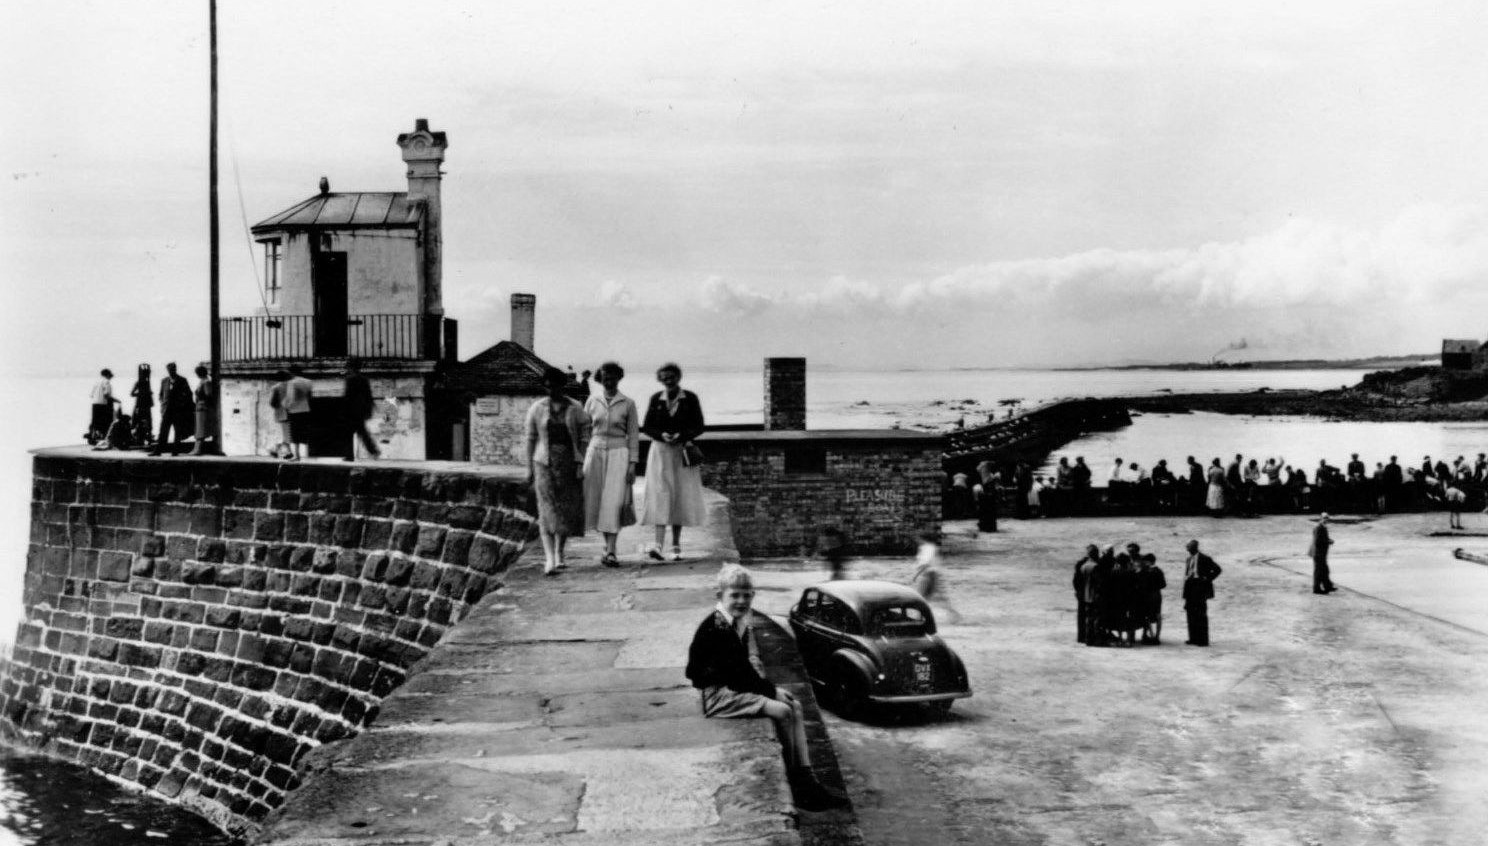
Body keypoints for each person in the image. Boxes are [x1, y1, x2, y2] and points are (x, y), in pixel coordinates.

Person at [685, 564, 846, 811]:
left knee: (796, 705)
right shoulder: (718, 627)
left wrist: (769, 690)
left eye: (746, 595)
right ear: (720, 596)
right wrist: (772, 691)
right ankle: (797, 783)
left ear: (753, 596)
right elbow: (729, 673)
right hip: (718, 696)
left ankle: (806, 776)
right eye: (734, 595)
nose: (741, 601)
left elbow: (743, 670)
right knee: (782, 711)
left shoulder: (736, 622)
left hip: (730, 687)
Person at [526, 367, 591, 576]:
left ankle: (560, 553)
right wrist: (529, 468)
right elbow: (530, 438)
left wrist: (581, 464)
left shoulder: (575, 407)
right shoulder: (537, 408)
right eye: (547, 386)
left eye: (555, 385)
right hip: (543, 462)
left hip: (568, 462)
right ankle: (549, 559)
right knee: (546, 510)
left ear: (562, 385)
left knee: (564, 510)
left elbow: (584, 437)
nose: (551, 389)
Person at [640, 363, 705, 562]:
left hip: (681, 451)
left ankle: (676, 544)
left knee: (680, 495)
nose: (669, 381)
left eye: (672, 377)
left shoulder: (690, 398)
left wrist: (682, 435)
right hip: (660, 451)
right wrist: (661, 434)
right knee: (660, 494)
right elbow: (647, 427)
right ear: (661, 380)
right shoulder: (656, 399)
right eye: (665, 378)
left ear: (678, 377)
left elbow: (699, 425)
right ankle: (658, 544)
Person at [583, 361, 640, 566]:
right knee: (597, 500)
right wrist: (581, 457)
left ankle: (612, 550)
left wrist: (633, 463)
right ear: (601, 378)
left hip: (619, 454)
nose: (609, 381)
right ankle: (607, 547)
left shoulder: (628, 403)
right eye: (605, 377)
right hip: (595, 452)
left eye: (613, 377)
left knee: (614, 501)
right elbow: (584, 430)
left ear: (619, 378)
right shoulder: (592, 400)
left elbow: (633, 435)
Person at [910, 531, 961, 624]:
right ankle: (954, 615)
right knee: (935, 598)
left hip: (928, 575)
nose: (916, 540)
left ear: (922, 538)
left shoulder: (928, 548)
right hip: (932, 574)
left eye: (918, 538)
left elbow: (925, 563)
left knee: (920, 598)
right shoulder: (929, 547)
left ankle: (919, 618)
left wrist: (915, 575)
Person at [1181, 539, 1222, 646]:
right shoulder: (1189, 559)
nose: (1187, 549)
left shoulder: (1205, 558)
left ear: (1195, 547)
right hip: (1190, 587)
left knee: (1200, 614)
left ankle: (1203, 640)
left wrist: (1207, 579)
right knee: (1190, 613)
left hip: (1200, 588)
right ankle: (1193, 638)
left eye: (1189, 547)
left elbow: (1217, 569)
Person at [150, 362, 194, 456]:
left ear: (175, 369)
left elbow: (189, 394)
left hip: (178, 411)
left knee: (178, 431)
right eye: (169, 370)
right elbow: (161, 394)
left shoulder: (182, 380)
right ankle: (158, 451)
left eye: (172, 369)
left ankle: (175, 451)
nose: (171, 371)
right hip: (166, 410)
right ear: (167, 370)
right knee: (163, 431)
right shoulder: (164, 381)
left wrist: (182, 404)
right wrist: (162, 404)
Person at [341, 359, 380, 461]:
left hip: (351, 410)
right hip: (361, 410)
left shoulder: (350, 379)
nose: (347, 369)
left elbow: (348, 397)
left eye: (348, 367)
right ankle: (373, 451)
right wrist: (368, 409)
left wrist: (344, 410)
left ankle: (349, 456)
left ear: (351, 368)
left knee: (348, 433)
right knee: (362, 432)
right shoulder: (364, 379)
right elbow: (368, 396)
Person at [284, 365, 314, 461]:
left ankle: (297, 456)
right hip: (306, 409)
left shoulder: (292, 383)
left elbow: (291, 397)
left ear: (292, 373)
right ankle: (307, 454)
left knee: (295, 434)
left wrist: (286, 406)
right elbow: (310, 396)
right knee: (304, 432)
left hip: (295, 410)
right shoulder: (308, 382)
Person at [1076, 545, 1104, 646]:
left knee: (1088, 618)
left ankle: (1088, 639)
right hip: (1095, 596)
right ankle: (1097, 639)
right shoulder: (1095, 566)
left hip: (1086, 596)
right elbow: (1099, 582)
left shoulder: (1083, 566)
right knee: (1096, 618)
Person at [1136, 553, 1166, 644]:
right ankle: (1156, 636)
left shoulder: (1145, 571)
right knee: (1157, 615)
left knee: (1147, 615)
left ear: (1148, 562)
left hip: (1148, 595)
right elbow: (1163, 585)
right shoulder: (1158, 571)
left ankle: (1150, 635)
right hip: (1157, 595)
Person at [189, 365, 218, 456]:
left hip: (203, 408)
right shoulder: (203, 381)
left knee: (201, 429)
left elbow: (208, 394)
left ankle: (198, 450)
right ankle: (197, 449)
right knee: (199, 429)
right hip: (200, 408)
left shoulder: (206, 382)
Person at [87, 368, 120, 445]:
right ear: (108, 375)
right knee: (105, 421)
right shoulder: (107, 382)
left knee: (95, 421)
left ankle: (92, 436)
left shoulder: (96, 382)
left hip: (95, 403)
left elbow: (91, 395)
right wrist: (116, 400)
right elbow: (106, 395)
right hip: (103, 404)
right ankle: (106, 437)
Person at [267, 370, 292, 459]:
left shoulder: (276, 387)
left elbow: (271, 402)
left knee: (285, 434)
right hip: (290, 413)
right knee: (287, 434)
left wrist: (278, 406)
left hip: (281, 413)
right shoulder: (291, 387)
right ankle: (285, 451)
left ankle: (275, 450)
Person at [1309, 513, 1336, 594]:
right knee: (1319, 571)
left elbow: (1322, 538)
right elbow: (1318, 541)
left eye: (1327, 519)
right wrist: (1328, 541)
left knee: (1325, 570)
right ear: (1321, 518)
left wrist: (1328, 540)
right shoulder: (1319, 527)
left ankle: (1327, 586)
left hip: (1321, 553)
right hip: (1318, 553)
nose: (1326, 520)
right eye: (1325, 518)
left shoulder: (1322, 527)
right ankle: (1316, 589)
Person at [129, 364, 154, 448]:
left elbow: (132, 393)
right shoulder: (141, 382)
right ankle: (142, 437)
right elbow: (132, 393)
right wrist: (142, 394)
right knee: (141, 421)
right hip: (141, 405)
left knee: (147, 421)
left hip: (144, 405)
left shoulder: (147, 382)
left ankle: (147, 437)